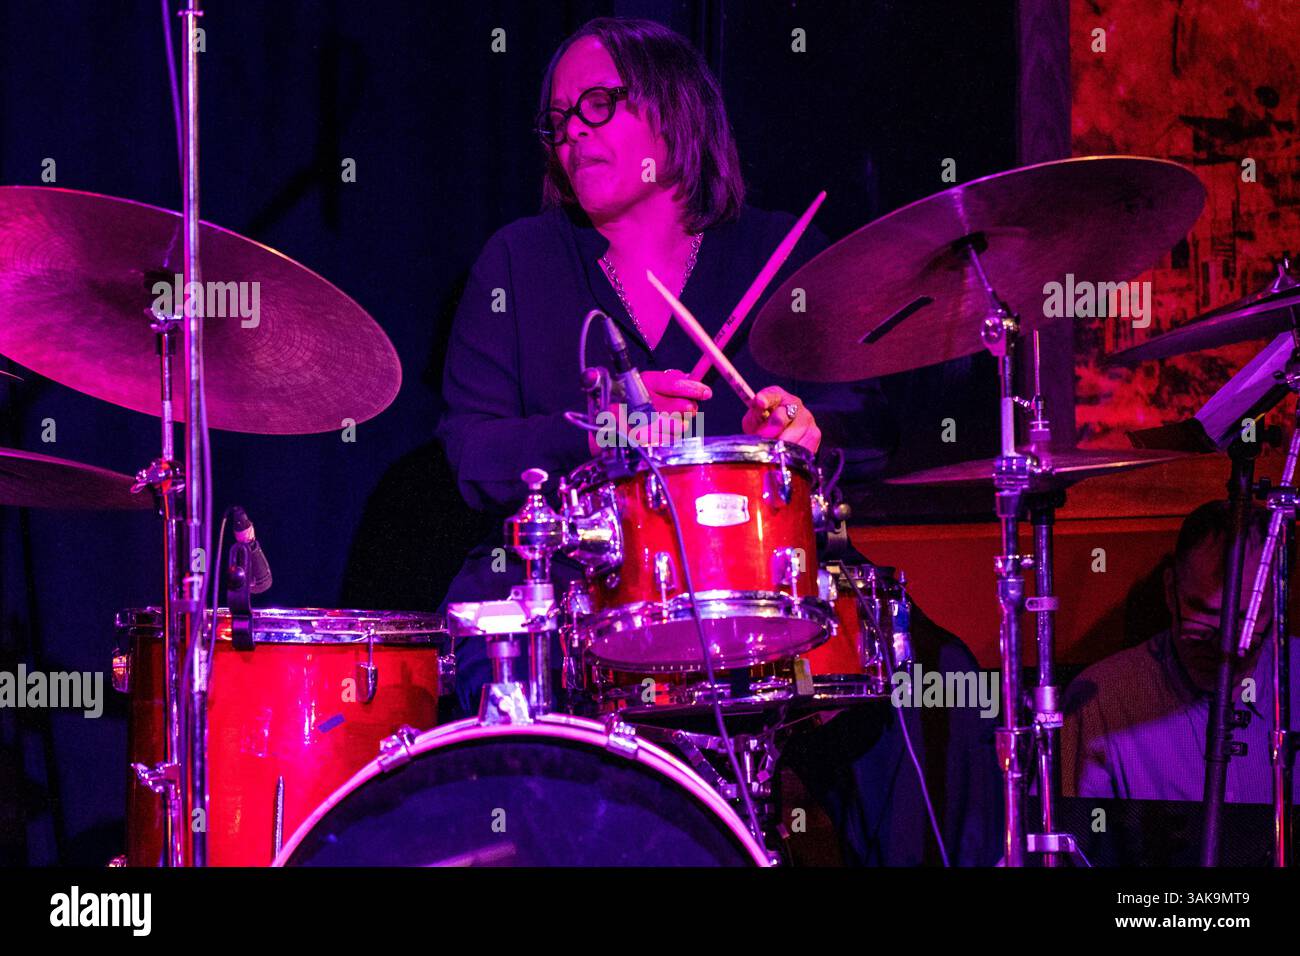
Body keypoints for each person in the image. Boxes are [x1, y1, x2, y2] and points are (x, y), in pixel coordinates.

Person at [435, 17, 896, 716]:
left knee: (917, 681)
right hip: (570, 595)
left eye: (596, 104)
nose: (573, 132)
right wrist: (599, 433)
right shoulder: (519, 260)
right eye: (557, 120)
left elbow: (870, 423)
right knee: (500, 683)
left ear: (675, 107)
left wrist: (808, 435)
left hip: (761, 587)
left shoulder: (779, 255)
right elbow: (472, 454)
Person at [1063, 500, 1300, 803]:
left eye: (1245, 618)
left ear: (1280, 603)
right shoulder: (1101, 701)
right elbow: (1071, 840)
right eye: (1202, 611)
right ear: (1170, 588)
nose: (1223, 641)